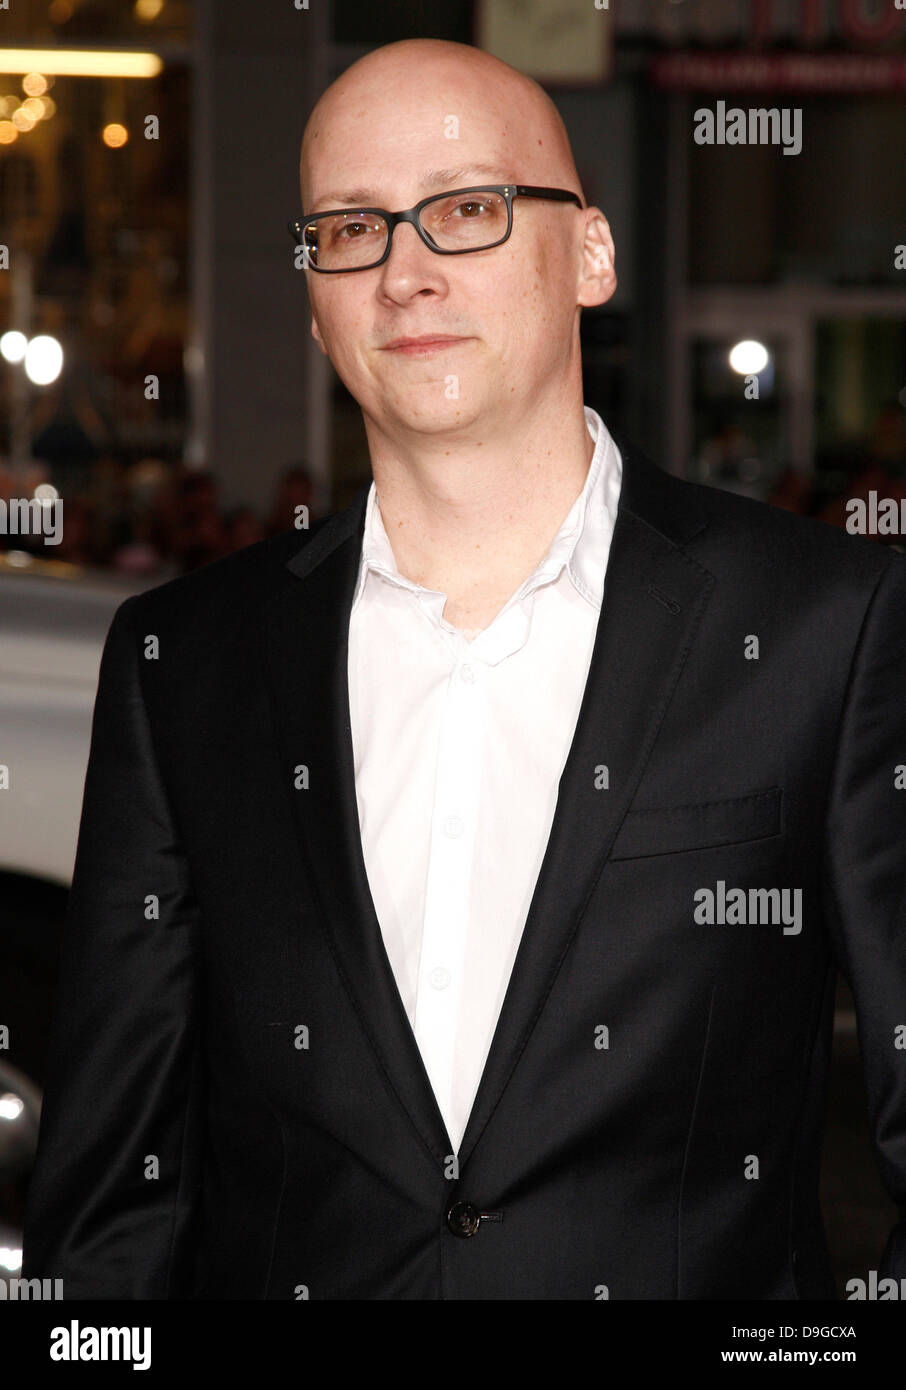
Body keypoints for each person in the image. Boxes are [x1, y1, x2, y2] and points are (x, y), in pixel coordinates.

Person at [22, 38, 906, 1300]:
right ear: (315, 296)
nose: (405, 271)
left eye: (469, 209)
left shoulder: (830, 622)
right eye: (351, 229)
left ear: (591, 252)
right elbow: (110, 1205)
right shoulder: (184, 663)